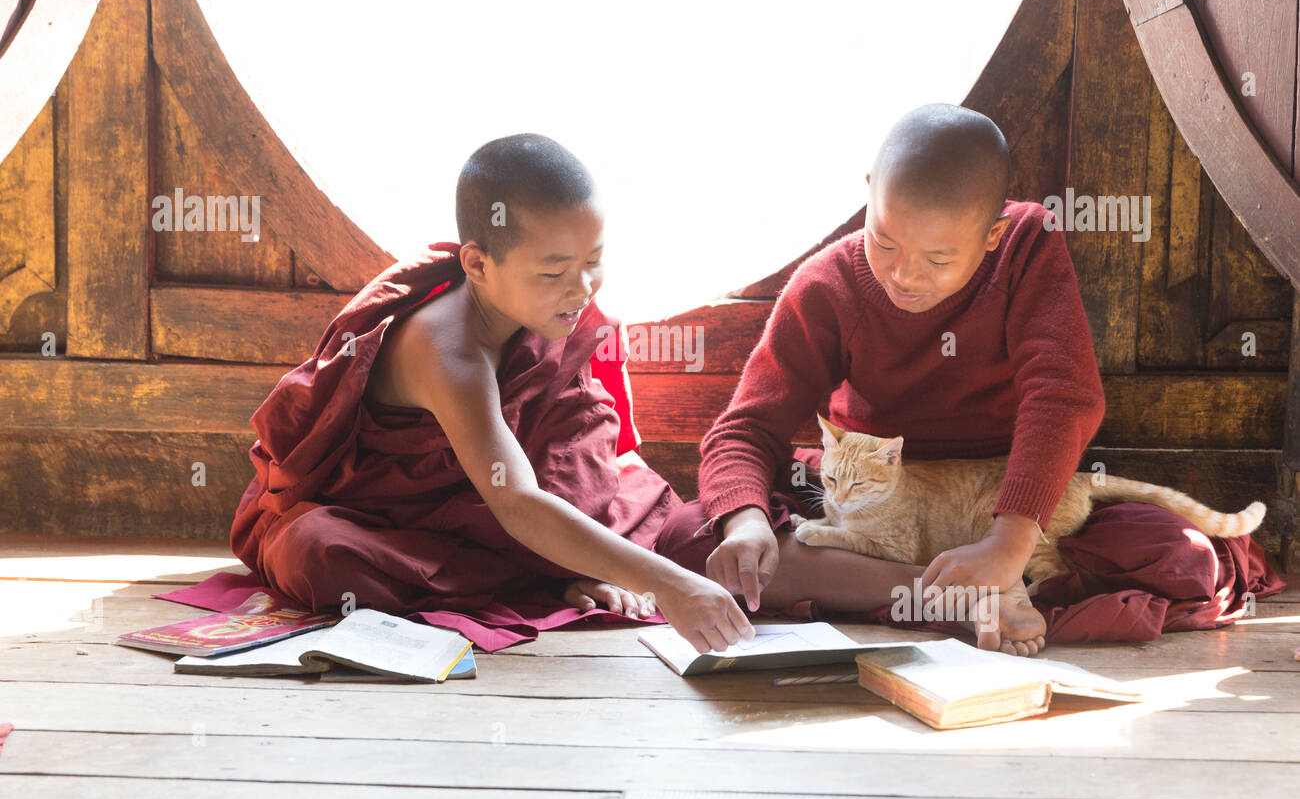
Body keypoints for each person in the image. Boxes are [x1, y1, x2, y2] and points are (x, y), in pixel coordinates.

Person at [230, 133, 755, 654]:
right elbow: (517, 502)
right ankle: (554, 579)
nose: (583, 287)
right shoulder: (447, 354)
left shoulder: (554, 311)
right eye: (554, 271)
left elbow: (597, 441)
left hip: (506, 508)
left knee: (663, 518)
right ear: (478, 265)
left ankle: (566, 565)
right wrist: (668, 584)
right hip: (419, 526)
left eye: (593, 259)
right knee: (316, 552)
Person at [656, 103, 1109, 656]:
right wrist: (746, 522)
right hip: (866, 496)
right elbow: (746, 429)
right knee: (689, 541)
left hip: (996, 494)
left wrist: (1009, 539)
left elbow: (1063, 394)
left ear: (992, 235)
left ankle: (990, 573)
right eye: (885, 242)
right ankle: (958, 595)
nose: (904, 276)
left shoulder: (1026, 245)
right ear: (869, 194)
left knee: (1174, 552)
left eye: (939, 259)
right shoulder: (829, 284)